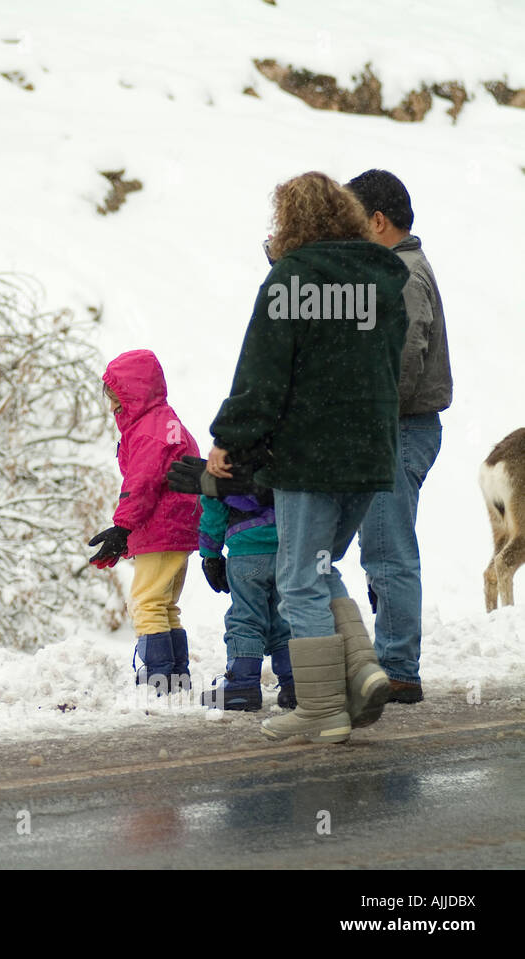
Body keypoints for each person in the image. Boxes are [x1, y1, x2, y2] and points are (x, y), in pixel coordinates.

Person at [205, 172, 410, 743]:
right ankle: (364, 671)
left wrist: (230, 438)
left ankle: (321, 710)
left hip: (309, 456)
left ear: (290, 222)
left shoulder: (290, 280)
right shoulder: (383, 278)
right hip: (370, 453)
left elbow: (261, 374)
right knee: (320, 567)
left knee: (297, 579)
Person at [346, 170, 451, 705]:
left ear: (379, 221)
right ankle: (391, 658)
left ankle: (398, 668)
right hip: (394, 427)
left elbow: (403, 361)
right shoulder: (391, 270)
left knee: (388, 550)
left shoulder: (403, 275)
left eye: (354, 222)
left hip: (400, 427)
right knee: (379, 546)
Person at [88, 349, 200, 695]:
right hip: (177, 527)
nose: (111, 407)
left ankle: (157, 681)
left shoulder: (150, 432)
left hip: (161, 529)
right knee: (165, 604)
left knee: (145, 602)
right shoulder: (164, 422)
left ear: (132, 393)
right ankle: (175, 678)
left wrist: (122, 527)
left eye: (115, 398)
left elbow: (141, 483)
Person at [198, 485, 295, 711]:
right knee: (285, 617)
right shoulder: (284, 451)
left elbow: (213, 503)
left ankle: (242, 684)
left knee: (246, 618)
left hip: (246, 547)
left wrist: (210, 554)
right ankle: (294, 682)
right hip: (287, 545)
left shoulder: (229, 454)